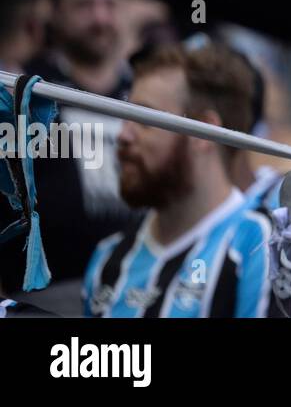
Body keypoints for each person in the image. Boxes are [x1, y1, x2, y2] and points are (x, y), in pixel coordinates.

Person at [83, 43, 279, 317]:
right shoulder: (108, 258)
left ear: (203, 132)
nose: (123, 135)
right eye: (126, 117)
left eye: (143, 119)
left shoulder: (260, 245)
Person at [0, 0, 135, 303]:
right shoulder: (23, 89)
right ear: (53, 11)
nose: (100, 18)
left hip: (134, 293)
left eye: (109, 4)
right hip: (43, 298)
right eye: (84, 5)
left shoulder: (144, 94)